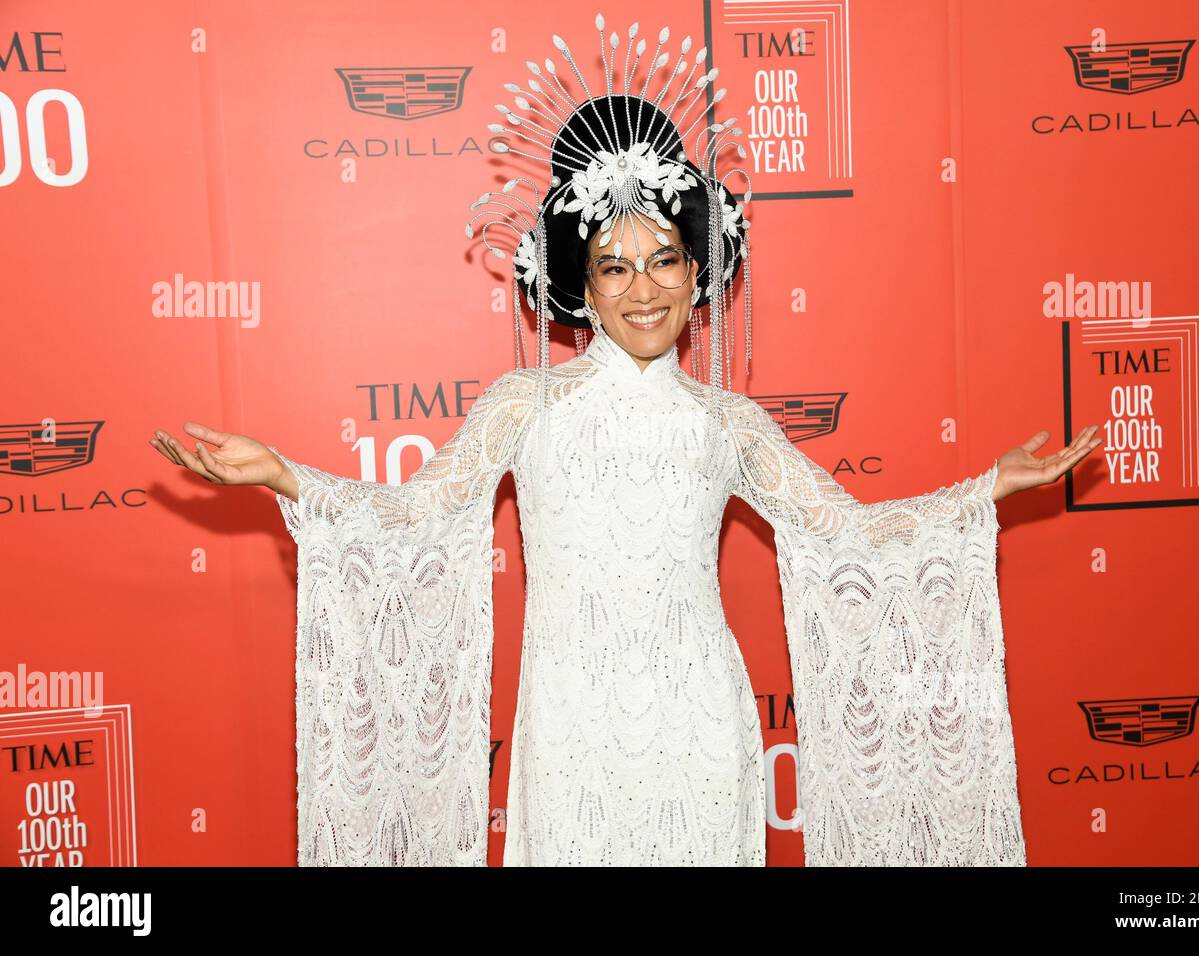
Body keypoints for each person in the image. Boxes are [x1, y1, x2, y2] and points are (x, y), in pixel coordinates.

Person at [149, 14, 1101, 867]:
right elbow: (412, 518)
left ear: (698, 275)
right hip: (568, 733)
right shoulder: (524, 405)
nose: (642, 290)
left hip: (702, 729)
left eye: (663, 263)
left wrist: (984, 491)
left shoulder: (730, 424)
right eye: (615, 268)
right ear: (581, 286)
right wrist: (284, 475)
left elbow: (846, 538)